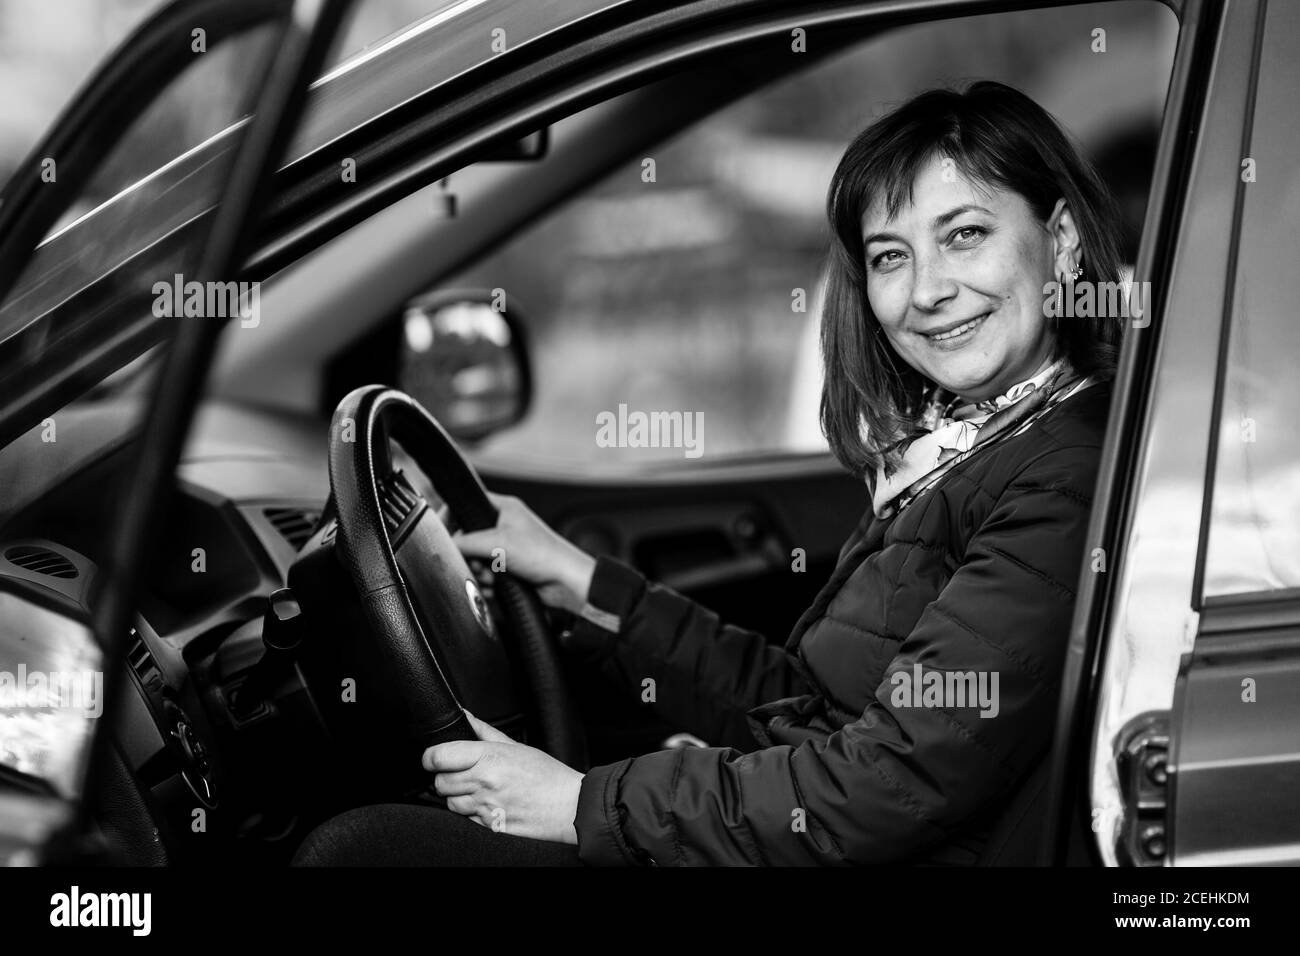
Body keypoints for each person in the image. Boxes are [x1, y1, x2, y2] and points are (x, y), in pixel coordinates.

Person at [291, 79, 1123, 867]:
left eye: (965, 234)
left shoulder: (1062, 477)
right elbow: (801, 701)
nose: (928, 290)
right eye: (890, 256)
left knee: (364, 852)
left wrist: (583, 804)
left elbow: (889, 782)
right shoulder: (969, 444)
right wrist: (581, 580)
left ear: (1061, 240)